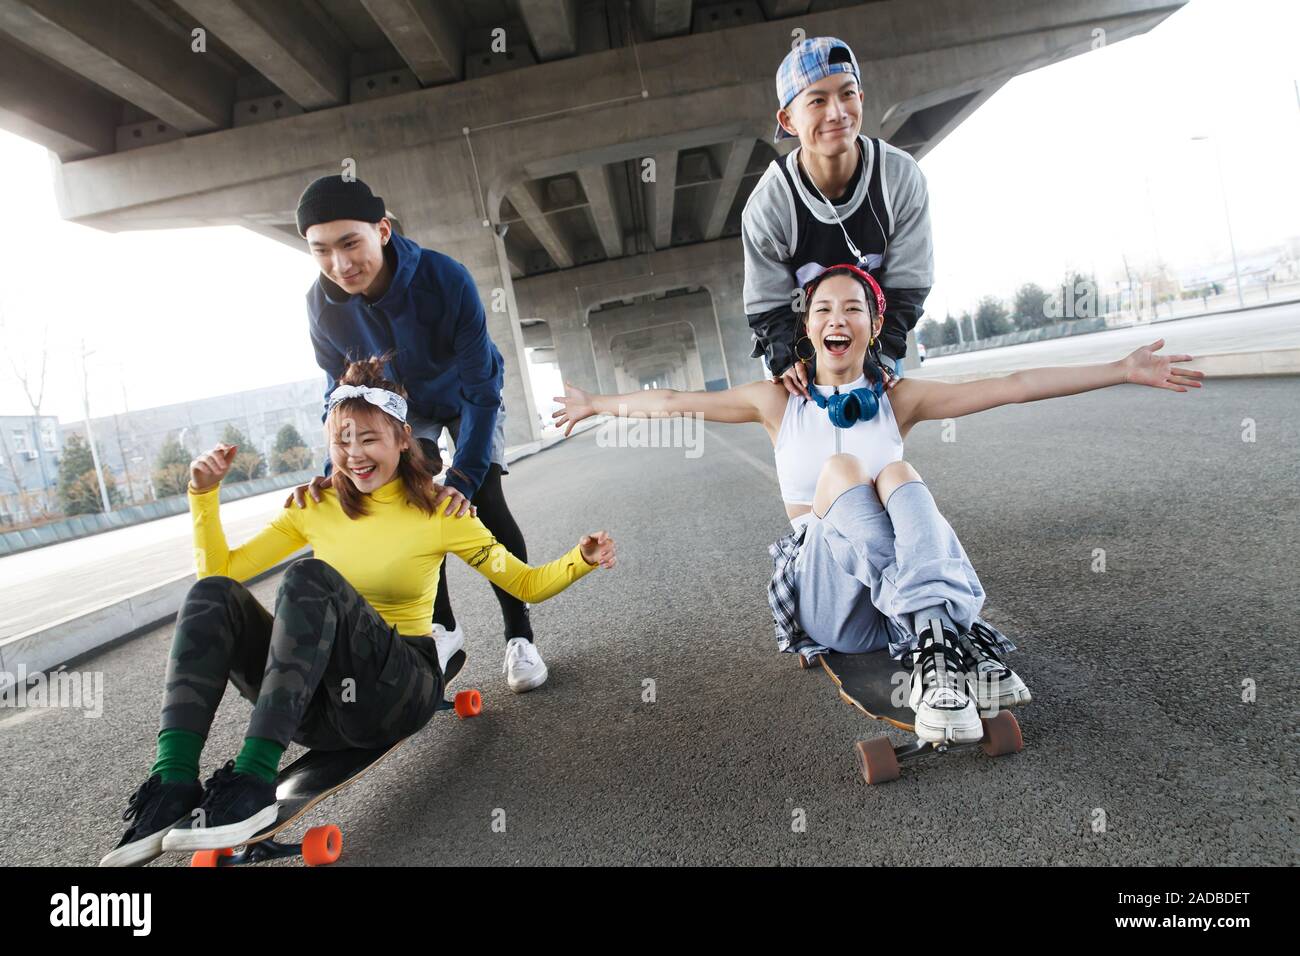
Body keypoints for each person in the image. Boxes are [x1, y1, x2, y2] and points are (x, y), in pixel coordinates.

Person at [554, 264, 1203, 745]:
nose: (838, 318)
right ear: (807, 328)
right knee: (843, 469)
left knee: (896, 469)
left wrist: (1120, 369)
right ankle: (948, 634)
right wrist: (596, 406)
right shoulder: (775, 403)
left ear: (873, 325)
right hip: (830, 597)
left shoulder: (900, 399)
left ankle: (934, 645)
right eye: (824, 309)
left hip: (891, 606)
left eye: (854, 308)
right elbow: (672, 403)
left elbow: (1012, 385)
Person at [100, 357, 616, 866]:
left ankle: (254, 780)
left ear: (401, 440)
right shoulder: (313, 506)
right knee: (211, 596)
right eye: (342, 442)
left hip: (400, 691)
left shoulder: (442, 509)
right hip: (317, 707)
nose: (354, 455)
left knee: (309, 578)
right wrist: (203, 496)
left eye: (368, 439)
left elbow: (523, 582)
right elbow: (219, 573)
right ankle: (171, 784)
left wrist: (581, 559)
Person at [292, 174, 548, 693]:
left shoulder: (444, 279)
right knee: (409, 504)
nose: (340, 265)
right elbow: (338, 395)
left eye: (350, 243)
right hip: (400, 409)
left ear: (381, 231)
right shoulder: (321, 306)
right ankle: (443, 629)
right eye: (322, 251)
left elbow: (480, 390)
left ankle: (519, 637)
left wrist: (466, 477)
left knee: (481, 503)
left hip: (464, 393)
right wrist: (332, 472)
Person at [743, 36, 933, 398]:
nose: (837, 112)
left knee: (881, 447)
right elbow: (766, 303)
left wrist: (883, 355)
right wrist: (786, 361)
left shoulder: (899, 177)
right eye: (817, 100)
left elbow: (909, 284)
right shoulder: (770, 203)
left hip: (871, 343)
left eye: (847, 94)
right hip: (802, 353)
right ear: (788, 120)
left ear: (860, 99)